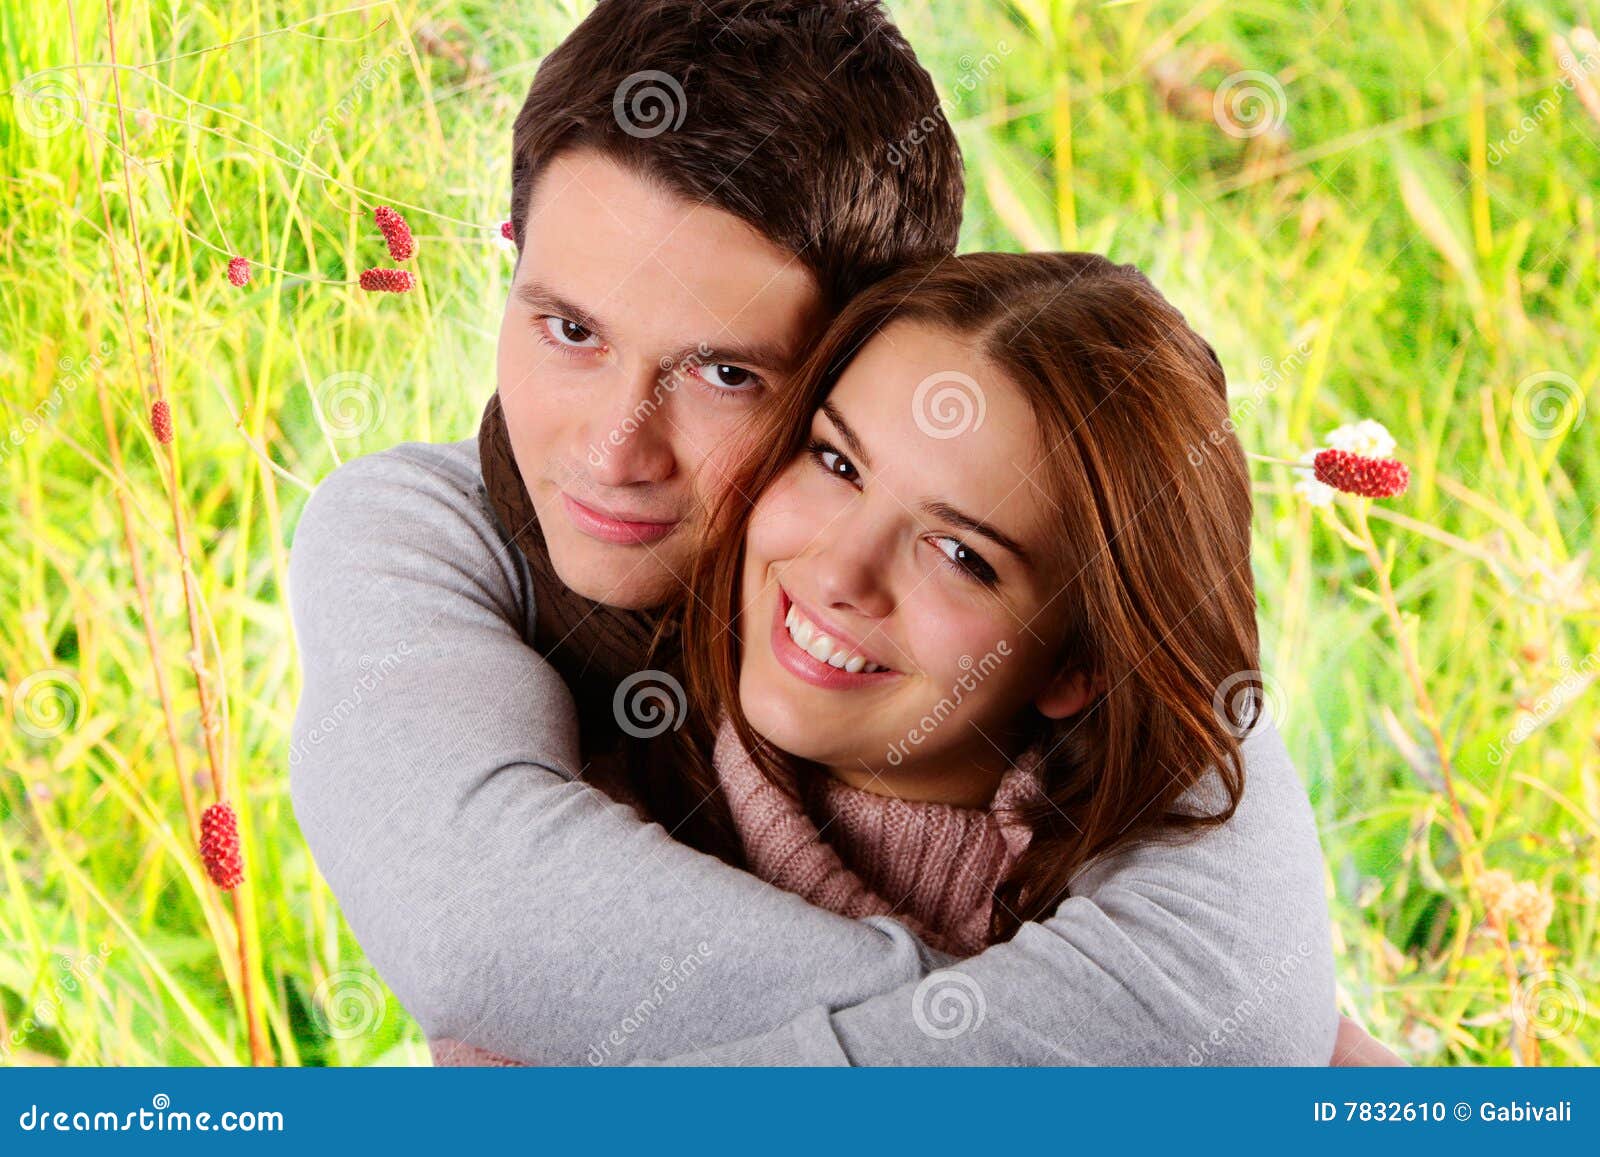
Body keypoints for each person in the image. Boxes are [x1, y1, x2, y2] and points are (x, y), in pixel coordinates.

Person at [287, 0, 1391, 1064]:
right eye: (569, 328)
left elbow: (1218, 1009)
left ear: (858, 352)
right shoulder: (427, 532)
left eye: (724, 373)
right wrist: (1063, 1027)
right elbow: (479, 917)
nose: (615, 451)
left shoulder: (1094, 623)